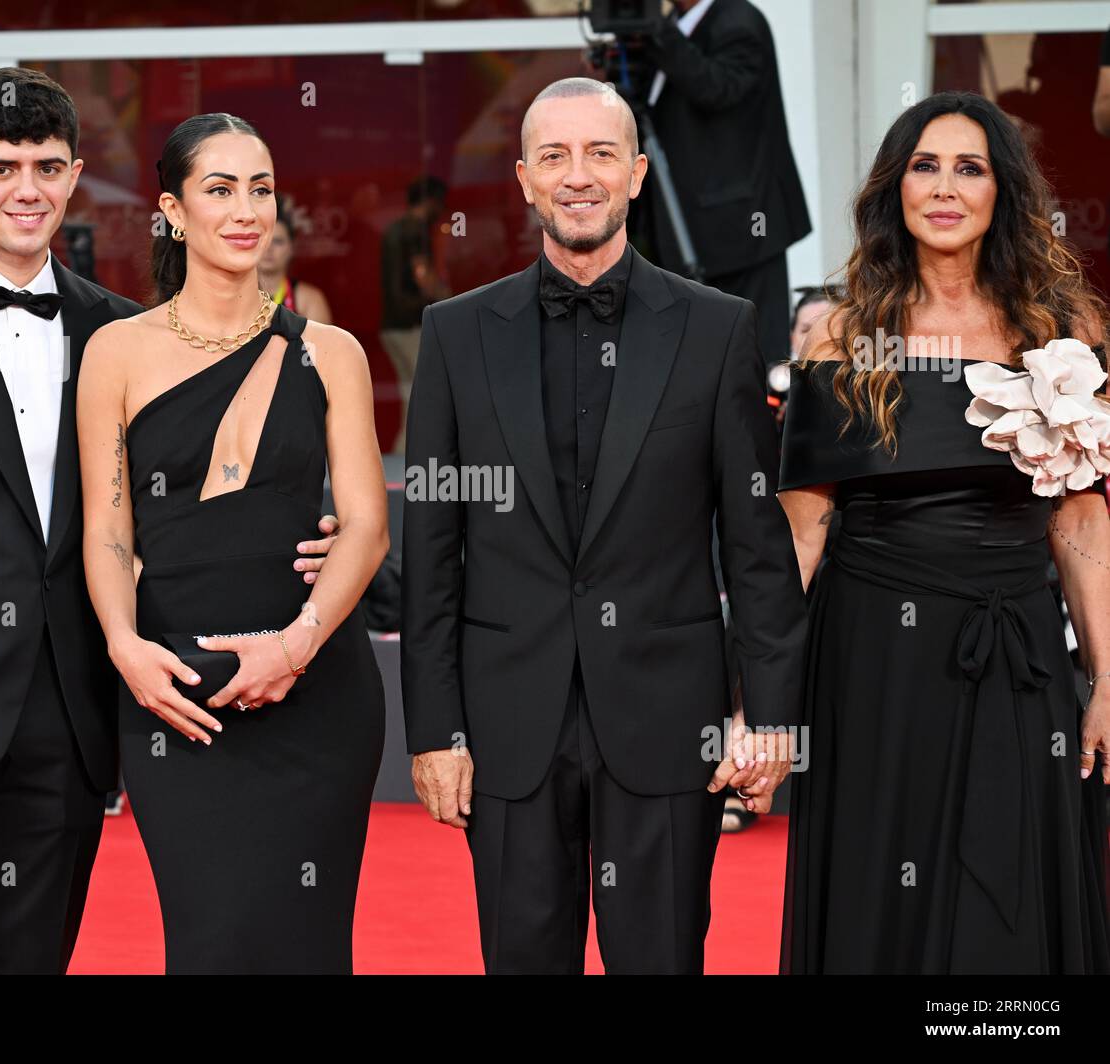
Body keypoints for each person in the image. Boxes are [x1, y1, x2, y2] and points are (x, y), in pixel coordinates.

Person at [0, 69, 339, 975]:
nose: (28, 188)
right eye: (3, 165)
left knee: (31, 961)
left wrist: (300, 537)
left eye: (48, 167)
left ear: (76, 173)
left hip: (65, 713)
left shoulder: (122, 334)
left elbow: (165, 511)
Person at [401, 77, 807, 974]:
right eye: (554, 156)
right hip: (509, 725)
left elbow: (757, 543)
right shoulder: (457, 335)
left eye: (598, 154)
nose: (576, 175)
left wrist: (771, 717)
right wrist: (435, 731)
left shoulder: (717, 328)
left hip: (669, 719)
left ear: (635, 172)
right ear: (523, 179)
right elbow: (432, 553)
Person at [778, 91, 1110, 973]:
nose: (946, 186)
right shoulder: (847, 338)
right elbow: (803, 531)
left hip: (1018, 656)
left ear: (1004, 191)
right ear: (896, 188)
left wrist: (1108, 677)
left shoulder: (1060, 332)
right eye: (925, 165)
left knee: (1007, 902)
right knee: (881, 887)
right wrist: (756, 697)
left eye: (971, 167)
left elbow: (1080, 518)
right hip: (872, 664)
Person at [77, 113, 387, 974]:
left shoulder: (333, 352)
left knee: (308, 948)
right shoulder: (116, 352)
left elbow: (366, 524)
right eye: (220, 189)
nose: (247, 209)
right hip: (176, 693)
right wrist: (125, 649)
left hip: (316, 688)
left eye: (261, 188)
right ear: (172, 210)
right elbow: (106, 530)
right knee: (210, 945)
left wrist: (296, 645)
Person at [642, 0, 811, 377]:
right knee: (699, 363)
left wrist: (658, 33)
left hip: (745, 228)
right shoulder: (675, 27)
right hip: (692, 228)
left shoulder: (739, 22)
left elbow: (717, 88)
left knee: (752, 360)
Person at [380, 175, 450, 454]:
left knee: (410, 394)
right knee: (420, 397)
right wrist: (451, 300)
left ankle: (404, 454)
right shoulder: (414, 230)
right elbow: (424, 276)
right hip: (411, 323)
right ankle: (410, 456)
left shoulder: (394, 230)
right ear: (431, 201)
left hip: (392, 324)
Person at [258, 196, 333, 323]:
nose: (269, 248)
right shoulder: (234, 296)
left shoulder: (310, 299)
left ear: (291, 248)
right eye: (264, 240)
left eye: (278, 241)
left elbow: (323, 343)